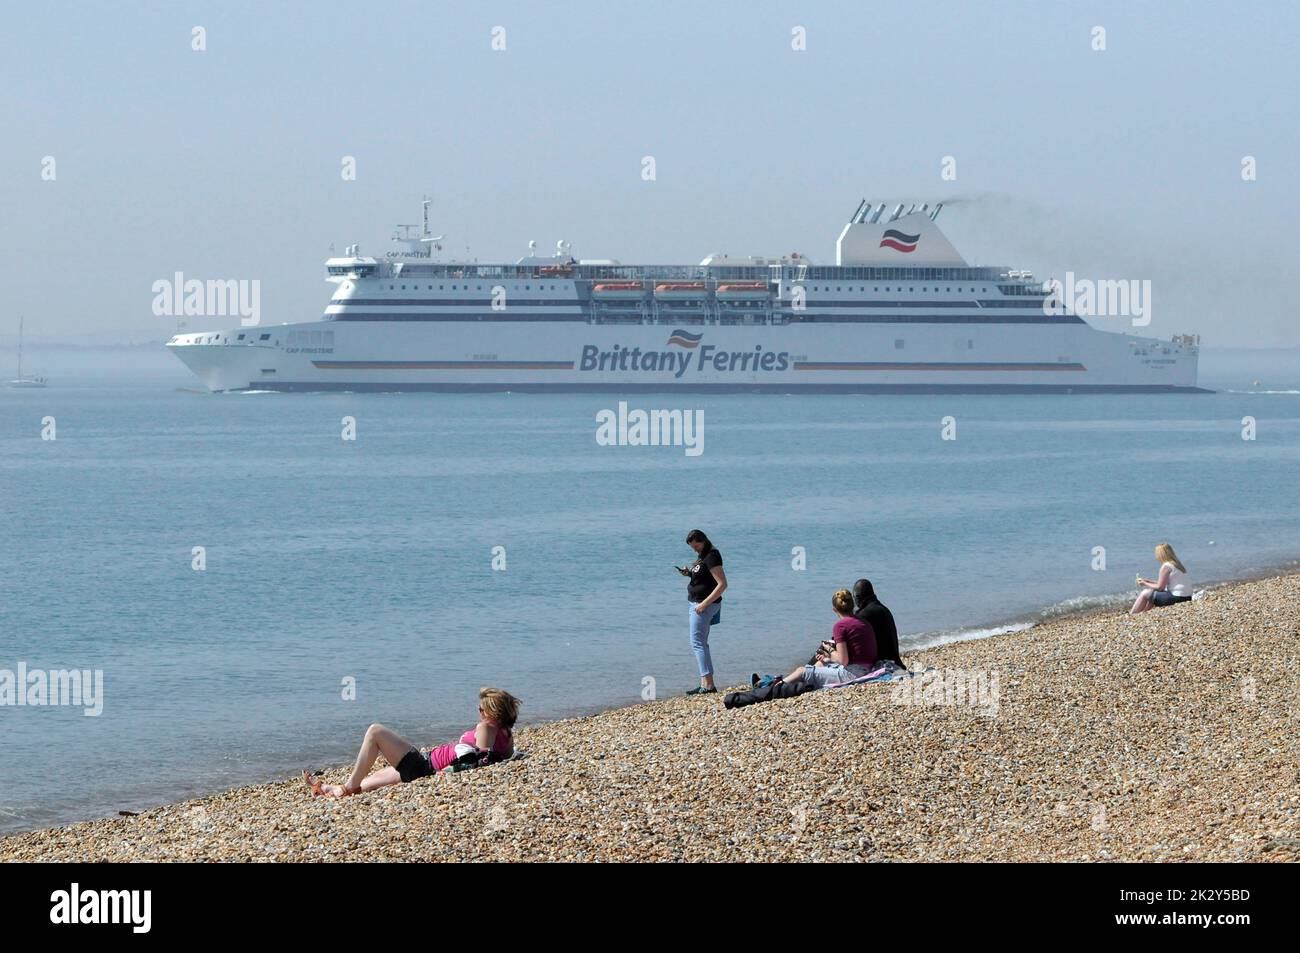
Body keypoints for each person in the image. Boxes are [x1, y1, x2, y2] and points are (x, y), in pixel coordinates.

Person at [303, 687, 521, 797]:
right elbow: (496, 757)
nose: (478, 711)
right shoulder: (507, 735)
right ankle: (334, 791)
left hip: (426, 766)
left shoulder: (486, 727)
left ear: (491, 711)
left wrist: (443, 774)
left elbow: (479, 760)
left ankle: (347, 786)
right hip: (427, 765)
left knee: (375, 731)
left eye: (481, 708)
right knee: (379, 777)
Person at [782, 588, 877, 688]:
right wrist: (828, 658)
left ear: (834, 609)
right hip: (869, 668)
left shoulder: (840, 626)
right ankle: (786, 684)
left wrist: (829, 649)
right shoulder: (864, 622)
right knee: (820, 663)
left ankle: (776, 686)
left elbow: (843, 660)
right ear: (852, 606)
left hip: (853, 674)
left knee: (801, 671)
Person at [677, 529, 727, 695]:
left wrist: (704, 604)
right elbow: (705, 578)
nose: (695, 550)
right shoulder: (704, 557)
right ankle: (704, 683)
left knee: (698, 643)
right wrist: (689, 574)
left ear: (703, 541)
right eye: (693, 548)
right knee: (700, 643)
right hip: (698, 604)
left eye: (696, 546)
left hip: (703, 606)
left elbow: (722, 585)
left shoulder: (712, 556)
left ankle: (709, 685)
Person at [852, 578, 903, 666]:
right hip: (894, 661)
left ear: (857, 597)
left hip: (883, 664)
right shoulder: (882, 609)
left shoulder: (864, 615)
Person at [1130, 542, 1193, 614]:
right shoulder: (1177, 565)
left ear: (1160, 555)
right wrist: (1148, 581)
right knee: (1153, 594)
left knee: (1145, 593)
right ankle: (1143, 613)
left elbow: (1160, 587)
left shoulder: (1166, 566)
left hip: (1177, 598)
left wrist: (1144, 583)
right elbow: (1163, 583)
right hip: (1187, 597)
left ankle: (1133, 614)